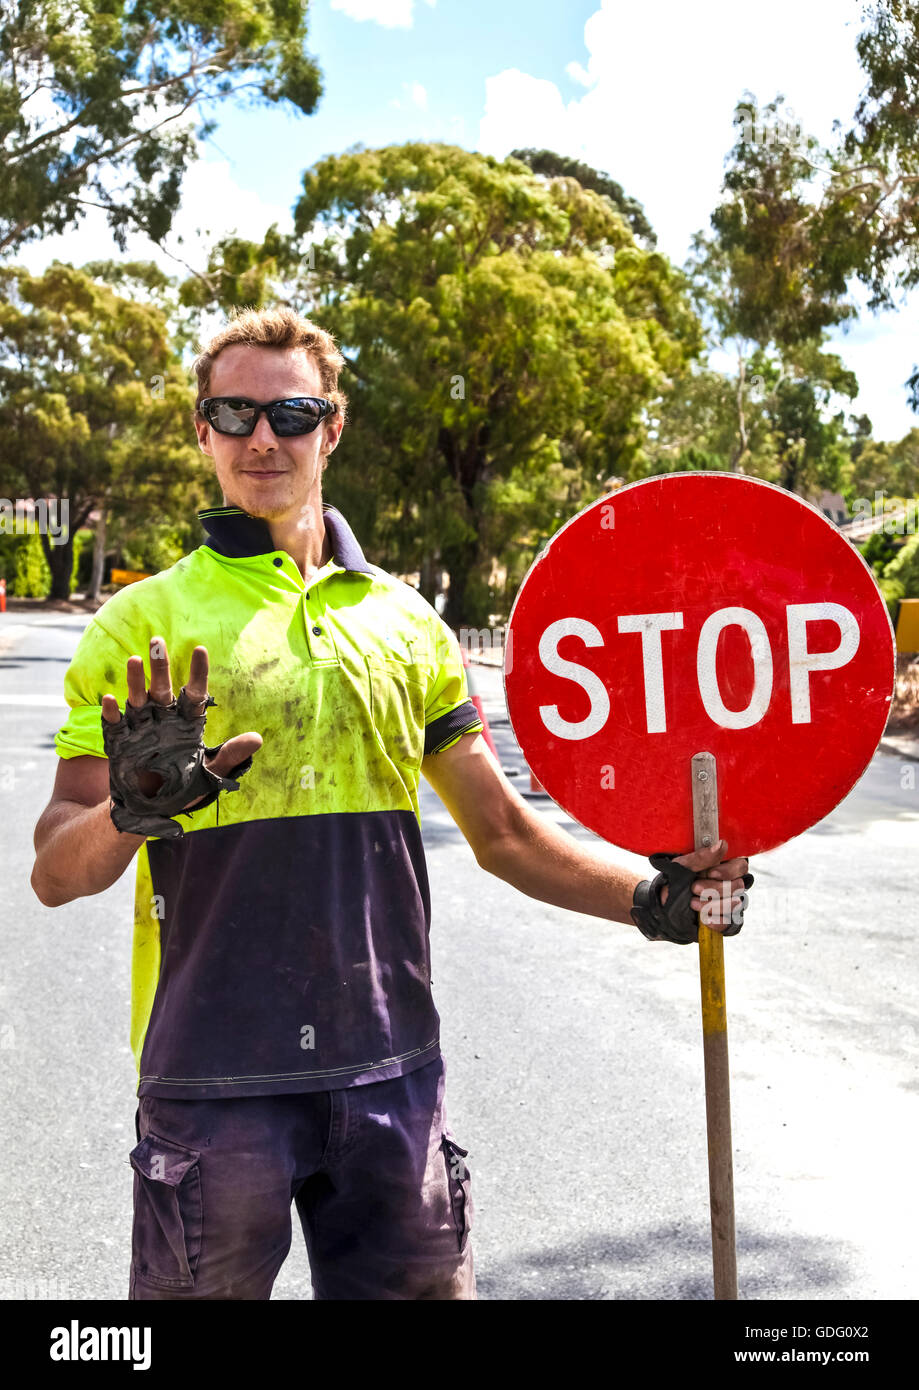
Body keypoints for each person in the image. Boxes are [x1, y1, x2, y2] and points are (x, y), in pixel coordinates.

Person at [30, 306, 752, 1301]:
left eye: (289, 411)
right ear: (201, 431)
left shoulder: (409, 623)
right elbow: (54, 872)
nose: (260, 438)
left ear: (332, 427)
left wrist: (652, 901)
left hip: (389, 1071)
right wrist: (131, 809)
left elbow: (500, 832)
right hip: (209, 1073)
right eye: (232, 413)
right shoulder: (139, 625)